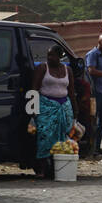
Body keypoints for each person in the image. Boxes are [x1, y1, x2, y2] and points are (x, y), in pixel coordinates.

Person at [30, 44, 79, 178]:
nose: (50, 58)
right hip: (46, 107)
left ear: (60, 56)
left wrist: (75, 110)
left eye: (53, 55)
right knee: (45, 137)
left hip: (64, 107)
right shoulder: (42, 68)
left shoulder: (67, 70)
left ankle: (58, 168)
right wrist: (32, 111)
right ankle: (41, 169)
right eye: (48, 55)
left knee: (63, 139)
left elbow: (71, 91)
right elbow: (34, 89)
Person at [84, 34, 102, 156]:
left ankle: (97, 146)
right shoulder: (93, 54)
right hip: (95, 92)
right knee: (94, 120)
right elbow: (91, 70)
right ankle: (91, 147)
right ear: (99, 42)